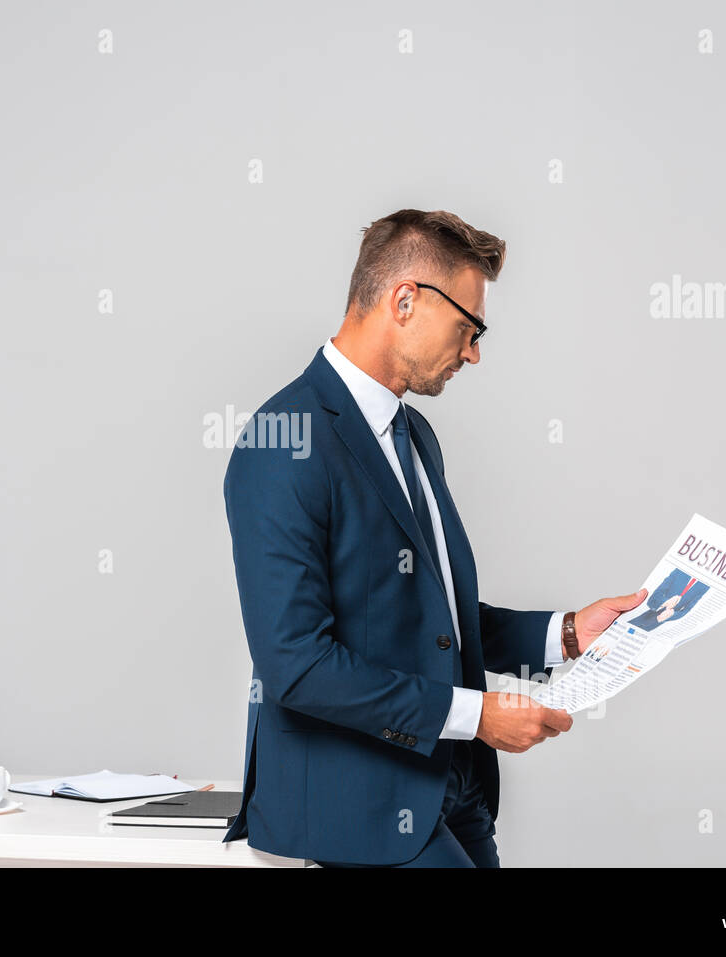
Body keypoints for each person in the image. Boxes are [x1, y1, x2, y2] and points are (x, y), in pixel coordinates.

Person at [220, 209, 646, 867]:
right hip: (356, 805)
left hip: (449, 787)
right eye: (469, 328)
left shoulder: (414, 435)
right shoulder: (284, 442)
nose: (473, 352)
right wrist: (476, 715)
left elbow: (429, 620)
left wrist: (565, 634)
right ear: (406, 300)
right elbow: (296, 664)